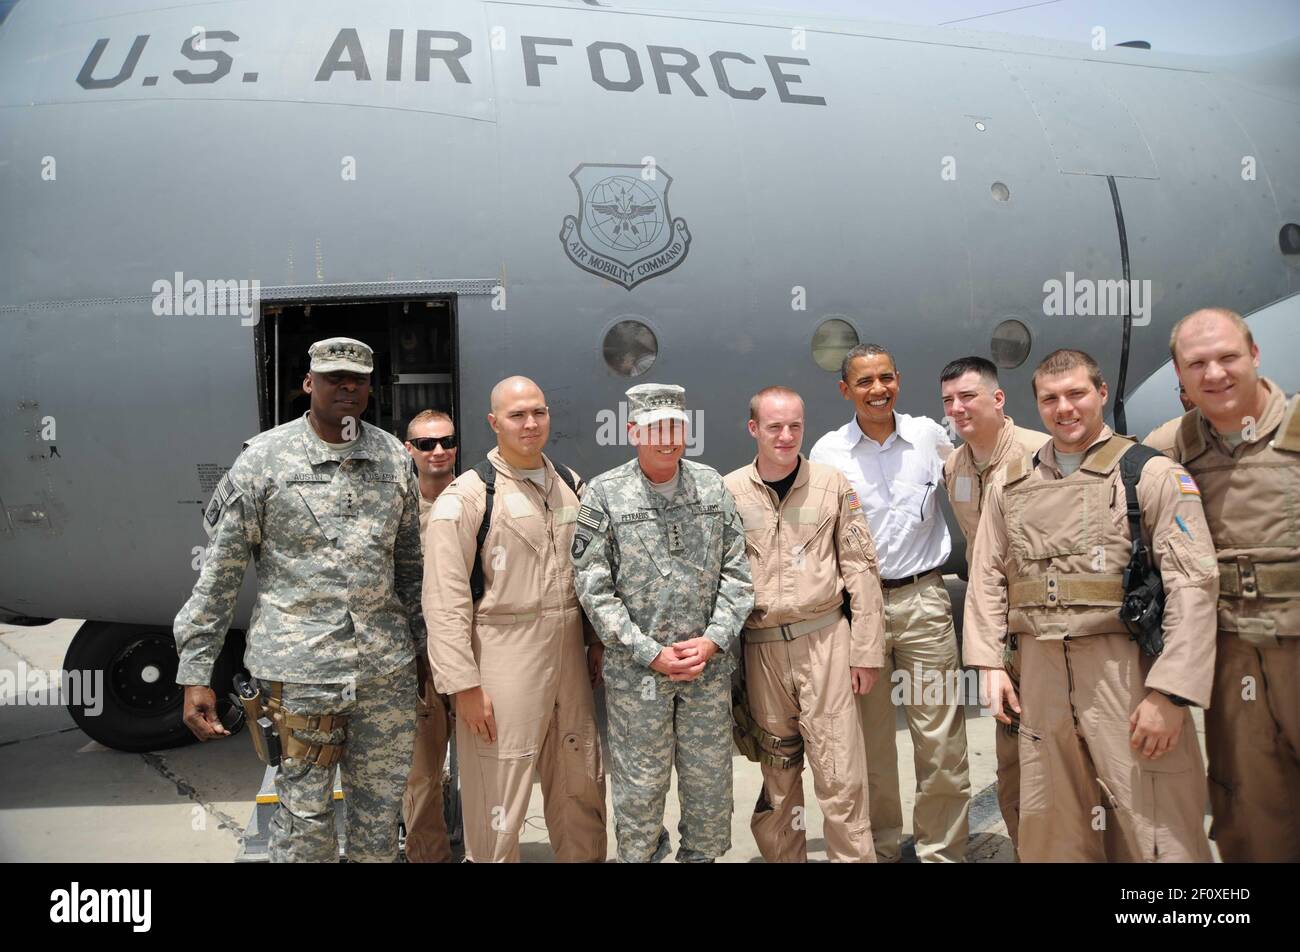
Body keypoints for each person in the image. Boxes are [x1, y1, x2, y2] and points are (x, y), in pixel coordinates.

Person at [175, 337, 423, 863]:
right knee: (305, 822)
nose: (346, 387)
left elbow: (411, 570)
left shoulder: (394, 458)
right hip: (300, 674)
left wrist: (427, 656)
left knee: (379, 819)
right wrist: (196, 671)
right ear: (309, 383)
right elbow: (220, 574)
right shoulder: (263, 460)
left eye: (356, 379)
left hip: (385, 673)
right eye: (334, 377)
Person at [966, 348, 1218, 862]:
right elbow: (987, 575)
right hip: (1040, 680)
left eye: (1077, 394)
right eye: (1050, 399)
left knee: (1157, 828)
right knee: (1052, 830)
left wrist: (1170, 694)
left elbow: (1194, 584)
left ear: (1101, 394)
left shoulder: (1149, 475)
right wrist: (989, 663)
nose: (1065, 409)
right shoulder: (1010, 485)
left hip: (1126, 677)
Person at [422, 377, 606, 863]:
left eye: (538, 413)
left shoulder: (571, 486)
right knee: (498, 791)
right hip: (504, 652)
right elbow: (444, 602)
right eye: (517, 415)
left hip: (567, 648)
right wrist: (463, 685)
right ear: (493, 423)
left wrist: (595, 642)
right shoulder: (465, 500)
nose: (530, 423)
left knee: (580, 781)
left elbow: (590, 574)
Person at [572, 383, 754, 863]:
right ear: (633, 431)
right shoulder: (605, 494)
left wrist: (713, 641)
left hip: (705, 674)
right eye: (655, 428)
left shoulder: (711, 485)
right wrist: (647, 650)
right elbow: (593, 587)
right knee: (639, 789)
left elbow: (738, 574)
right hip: (639, 678)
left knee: (709, 784)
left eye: (676, 427)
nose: (667, 438)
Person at [1146, 307, 1300, 862]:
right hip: (1231, 658)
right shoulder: (1171, 448)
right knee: (1250, 809)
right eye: (1197, 364)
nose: (1215, 374)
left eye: (1228, 357)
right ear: (1180, 376)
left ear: (1255, 355)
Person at [810, 343, 971, 863]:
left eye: (885, 378)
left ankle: (941, 851)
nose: (877, 389)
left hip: (925, 598)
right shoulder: (827, 453)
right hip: (860, 611)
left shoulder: (929, 436)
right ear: (845, 390)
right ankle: (879, 849)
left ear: (898, 379)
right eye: (864, 381)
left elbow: (971, 480)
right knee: (871, 745)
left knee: (940, 739)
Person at [724, 386, 884, 862]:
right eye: (774, 426)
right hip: (762, 649)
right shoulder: (729, 491)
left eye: (795, 425)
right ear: (754, 429)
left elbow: (860, 567)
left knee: (840, 775)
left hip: (825, 641)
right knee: (777, 773)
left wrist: (866, 650)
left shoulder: (832, 484)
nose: (786, 435)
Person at [938, 356, 1048, 852]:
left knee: (1063, 760)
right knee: (1012, 763)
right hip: (998, 633)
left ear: (998, 399)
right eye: (948, 401)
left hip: (1045, 626)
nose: (957, 409)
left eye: (968, 397)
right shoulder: (955, 465)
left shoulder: (1041, 453)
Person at [401, 409, 457, 863]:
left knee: (487, 773)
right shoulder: (398, 512)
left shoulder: (479, 499)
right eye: (426, 444)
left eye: (446, 441)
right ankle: (429, 856)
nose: (437, 451)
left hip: (473, 658)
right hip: (418, 663)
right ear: (409, 450)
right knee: (421, 775)